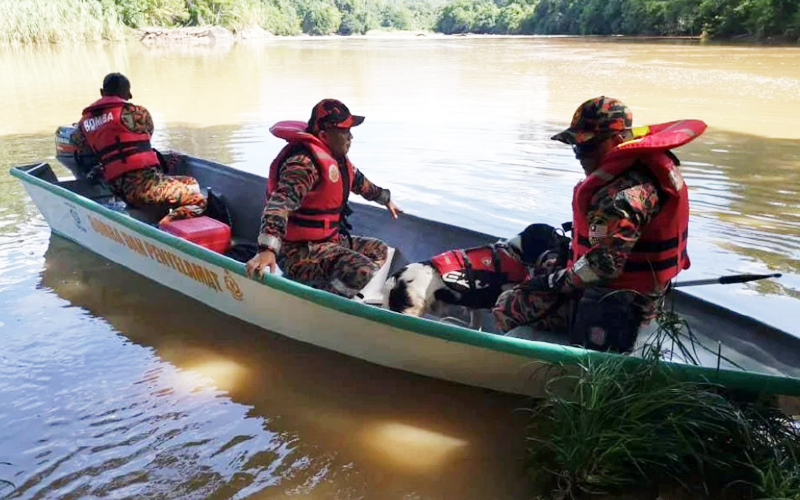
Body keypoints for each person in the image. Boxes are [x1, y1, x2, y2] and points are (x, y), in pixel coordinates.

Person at [492, 96, 704, 353]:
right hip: (647, 296)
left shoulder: (620, 196)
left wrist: (553, 282)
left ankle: (526, 361)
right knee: (542, 245)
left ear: (616, 141)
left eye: (587, 147)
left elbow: (603, 266)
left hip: (618, 305)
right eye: (575, 147)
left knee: (506, 304)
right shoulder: (644, 168)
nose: (579, 155)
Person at [246, 99, 402, 298]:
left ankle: (336, 290)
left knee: (379, 250)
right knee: (361, 269)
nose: (351, 136)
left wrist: (385, 199)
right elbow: (279, 204)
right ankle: (327, 301)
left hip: (327, 242)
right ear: (324, 135)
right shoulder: (303, 164)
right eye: (345, 131)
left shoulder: (336, 158)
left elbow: (360, 183)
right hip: (297, 253)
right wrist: (267, 249)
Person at [71, 73, 206, 225]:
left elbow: (80, 147)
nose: (130, 95)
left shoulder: (83, 124)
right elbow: (146, 137)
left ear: (102, 92)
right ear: (127, 94)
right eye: (129, 93)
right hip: (144, 186)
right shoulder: (138, 113)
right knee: (198, 200)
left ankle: (162, 216)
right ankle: (163, 229)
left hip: (118, 188)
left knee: (190, 182)